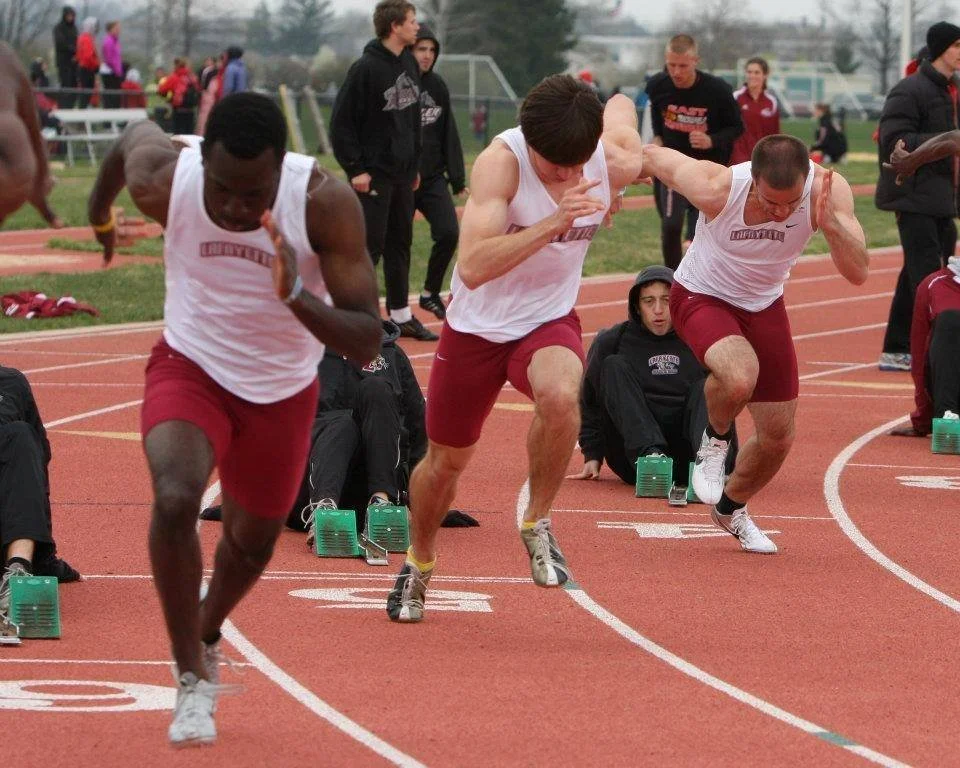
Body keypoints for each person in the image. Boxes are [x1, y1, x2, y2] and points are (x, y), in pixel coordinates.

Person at [86, 92, 382, 746]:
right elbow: (130, 137)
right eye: (223, 190)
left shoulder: (322, 203)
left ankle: (207, 628)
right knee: (174, 496)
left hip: (280, 391)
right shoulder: (167, 179)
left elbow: (366, 341)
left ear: (284, 170)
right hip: (191, 366)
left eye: (255, 194)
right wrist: (98, 212)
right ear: (203, 168)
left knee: (251, 544)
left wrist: (295, 295)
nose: (236, 208)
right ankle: (192, 675)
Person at [385, 74, 645, 622]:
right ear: (530, 144)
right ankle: (419, 561)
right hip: (477, 327)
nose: (573, 177)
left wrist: (617, 185)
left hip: (545, 319)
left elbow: (624, 109)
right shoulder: (501, 164)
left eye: (581, 165)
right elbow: (474, 267)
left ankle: (537, 521)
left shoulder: (605, 158)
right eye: (558, 169)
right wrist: (555, 221)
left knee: (561, 398)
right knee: (445, 463)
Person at [638, 134, 868, 553]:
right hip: (701, 294)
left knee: (779, 436)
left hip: (763, 303)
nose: (781, 214)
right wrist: (616, 181)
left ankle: (731, 508)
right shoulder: (718, 186)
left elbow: (858, 273)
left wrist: (831, 226)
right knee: (740, 376)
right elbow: (653, 156)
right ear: (752, 179)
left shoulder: (826, 191)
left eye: (790, 204)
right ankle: (715, 439)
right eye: (769, 202)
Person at [567, 265, 736, 494]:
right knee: (613, 366)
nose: (658, 310)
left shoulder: (699, 338)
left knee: (710, 384)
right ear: (637, 306)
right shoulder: (613, 341)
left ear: (677, 302)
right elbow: (589, 400)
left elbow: (728, 398)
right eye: (649, 301)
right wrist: (592, 454)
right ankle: (652, 456)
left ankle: (710, 468)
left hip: (690, 454)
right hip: (634, 460)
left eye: (666, 300)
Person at [330, 0, 435, 340]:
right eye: (412, 21)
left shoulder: (407, 61)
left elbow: (412, 120)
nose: (417, 26)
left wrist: (414, 162)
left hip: (403, 174)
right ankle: (358, 317)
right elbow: (341, 124)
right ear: (395, 27)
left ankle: (401, 315)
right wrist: (355, 168)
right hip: (373, 174)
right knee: (369, 247)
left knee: (400, 243)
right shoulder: (365, 69)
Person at [875, 21, 960, 373]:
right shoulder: (909, 90)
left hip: (941, 198)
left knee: (923, 272)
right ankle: (930, 355)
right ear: (941, 49)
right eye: (956, 45)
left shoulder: (951, 91)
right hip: (912, 195)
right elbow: (894, 141)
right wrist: (947, 140)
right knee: (927, 274)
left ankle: (896, 349)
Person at [644, 34, 743, 269]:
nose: (676, 72)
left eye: (683, 66)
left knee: (699, 232)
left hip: (706, 170)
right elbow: (658, 120)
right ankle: (672, 279)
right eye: (671, 65)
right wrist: (657, 141)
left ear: (695, 61)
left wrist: (711, 140)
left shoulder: (717, 90)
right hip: (672, 167)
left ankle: (699, 278)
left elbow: (737, 127)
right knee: (670, 226)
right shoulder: (658, 85)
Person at [0, 365, 81, 621]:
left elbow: (37, 462)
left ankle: (18, 571)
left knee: (23, 438)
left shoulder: (10, 382)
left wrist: (44, 556)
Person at [411, 25, 466, 321]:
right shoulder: (399, 85)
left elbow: (449, 133)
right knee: (394, 244)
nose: (428, 55)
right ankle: (392, 311)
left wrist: (457, 178)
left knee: (448, 232)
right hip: (401, 179)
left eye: (432, 50)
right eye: (421, 49)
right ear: (410, 50)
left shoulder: (438, 86)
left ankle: (430, 293)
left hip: (432, 178)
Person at [0, 43, 63, 229]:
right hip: (17, 156)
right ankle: (50, 215)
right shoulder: (8, 57)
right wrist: (44, 174)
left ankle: (48, 213)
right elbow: (33, 128)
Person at [730, 57, 780, 165]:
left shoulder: (772, 102)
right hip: (739, 159)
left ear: (765, 75)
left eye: (757, 72)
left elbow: (774, 134)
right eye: (749, 72)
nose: (752, 76)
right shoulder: (736, 97)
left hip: (763, 159)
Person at [158, 57, 200, 135]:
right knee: (189, 133)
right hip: (190, 110)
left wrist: (169, 98)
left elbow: (162, 90)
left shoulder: (175, 77)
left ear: (176, 65)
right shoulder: (192, 77)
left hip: (178, 109)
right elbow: (198, 89)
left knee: (178, 133)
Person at [53, 5, 78, 108]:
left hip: (74, 63)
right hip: (64, 62)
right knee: (65, 86)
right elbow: (60, 43)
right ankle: (64, 107)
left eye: (72, 15)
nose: (70, 18)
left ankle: (71, 106)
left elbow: (78, 41)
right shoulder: (58, 28)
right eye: (69, 15)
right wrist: (72, 49)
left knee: (73, 86)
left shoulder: (74, 28)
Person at [75, 17, 99, 109]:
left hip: (85, 68)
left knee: (85, 95)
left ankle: (82, 114)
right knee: (85, 95)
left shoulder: (83, 38)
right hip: (87, 69)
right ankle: (81, 116)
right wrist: (96, 64)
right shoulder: (86, 38)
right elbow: (88, 56)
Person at [99, 21, 123, 109]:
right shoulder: (108, 41)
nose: (118, 30)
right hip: (110, 72)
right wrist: (116, 70)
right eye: (116, 28)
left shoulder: (116, 41)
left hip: (115, 72)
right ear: (110, 30)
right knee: (111, 97)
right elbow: (109, 59)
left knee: (116, 98)